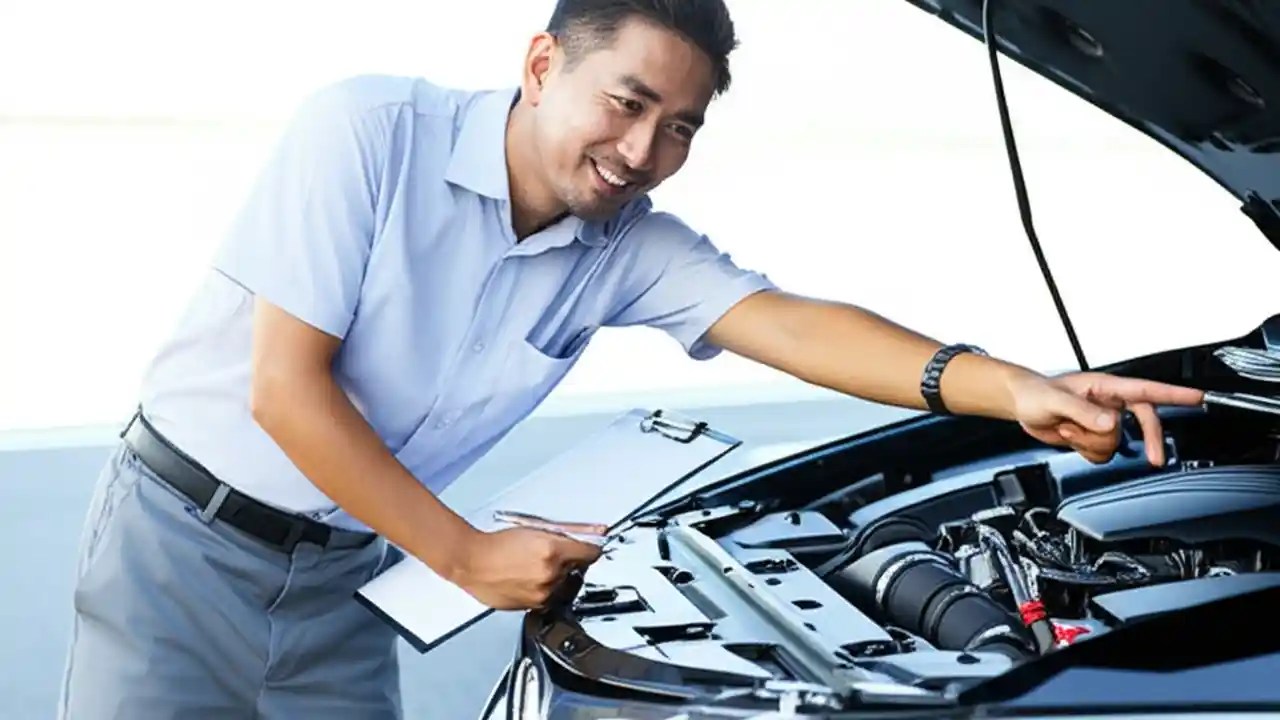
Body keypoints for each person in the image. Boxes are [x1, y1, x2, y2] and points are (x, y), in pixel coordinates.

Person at [57, 0, 1206, 717]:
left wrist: (1014, 387)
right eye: (628, 101)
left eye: (682, 127)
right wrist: (463, 554)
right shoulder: (365, 132)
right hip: (183, 542)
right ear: (542, 62)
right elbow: (284, 388)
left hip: (357, 573)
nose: (643, 151)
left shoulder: (620, 249)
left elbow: (791, 322)